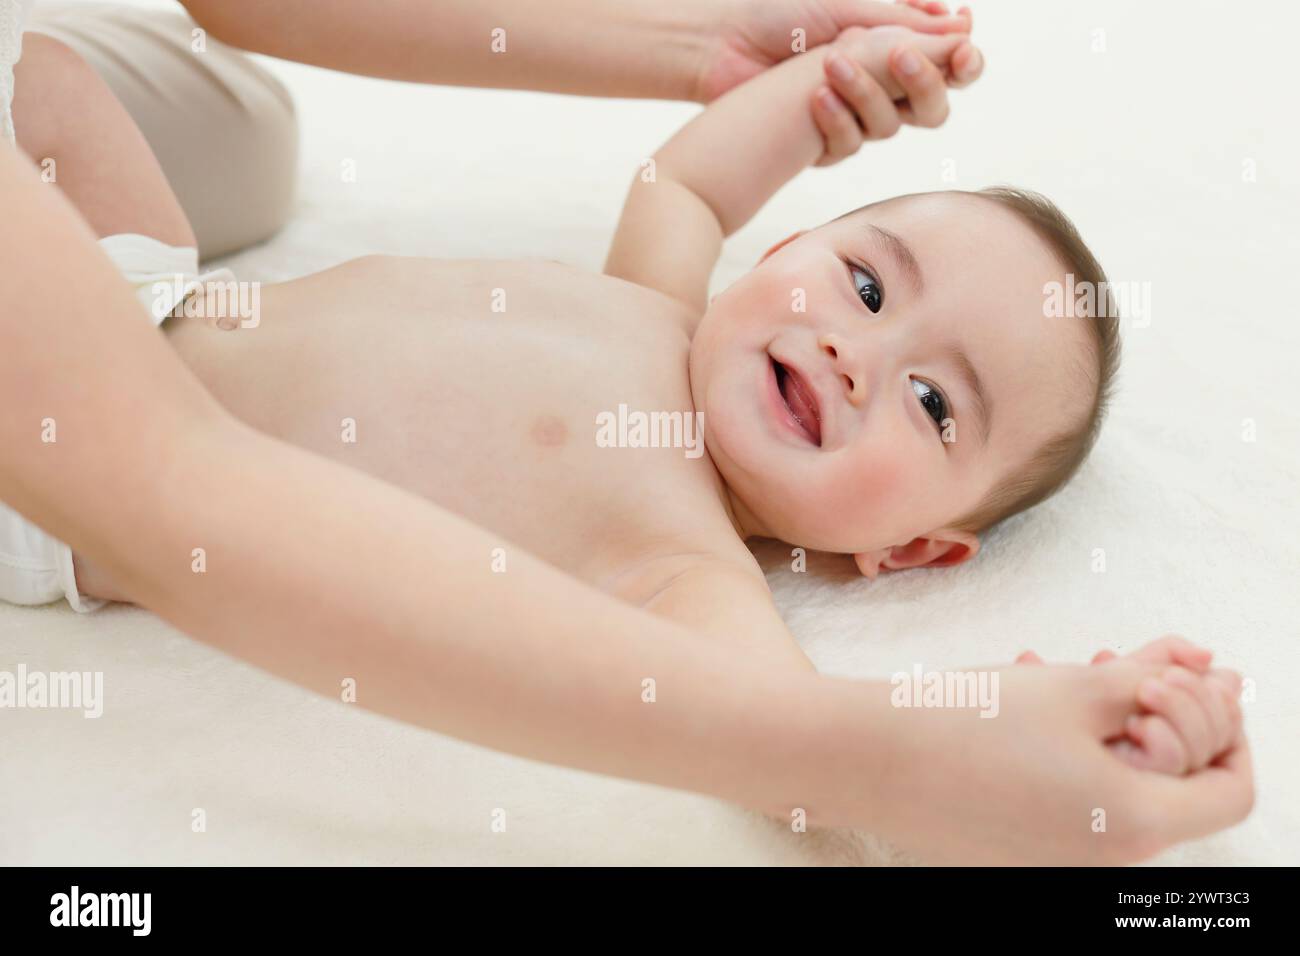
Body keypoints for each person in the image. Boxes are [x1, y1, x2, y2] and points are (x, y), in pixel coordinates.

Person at [0, 3, 1252, 863]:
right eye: (866, 284)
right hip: (142, 286)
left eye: (934, 405)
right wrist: (813, 88)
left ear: (913, 548)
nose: (851, 353)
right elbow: (688, 184)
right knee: (47, 66)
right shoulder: (663, 305)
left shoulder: (682, 563)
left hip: (62, 478)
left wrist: (990, 715)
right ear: (786, 250)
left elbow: (796, 762)